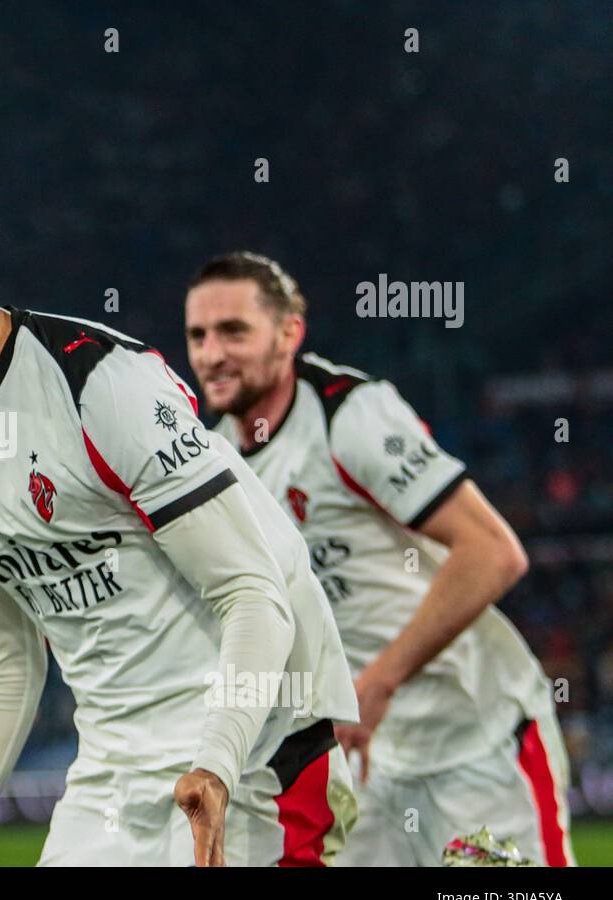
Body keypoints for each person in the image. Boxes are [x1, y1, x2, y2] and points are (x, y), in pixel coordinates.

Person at [0, 143, 358, 866]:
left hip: (259, 749)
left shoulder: (100, 382)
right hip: (113, 774)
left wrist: (216, 763)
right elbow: (0, 666)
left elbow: (253, 592)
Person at [184, 251, 573, 866]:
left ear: (289, 332)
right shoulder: (210, 460)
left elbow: (493, 553)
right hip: (360, 760)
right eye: (198, 335)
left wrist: (377, 683)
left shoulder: (350, 416)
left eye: (234, 331)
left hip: (474, 740)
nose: (211, 354)